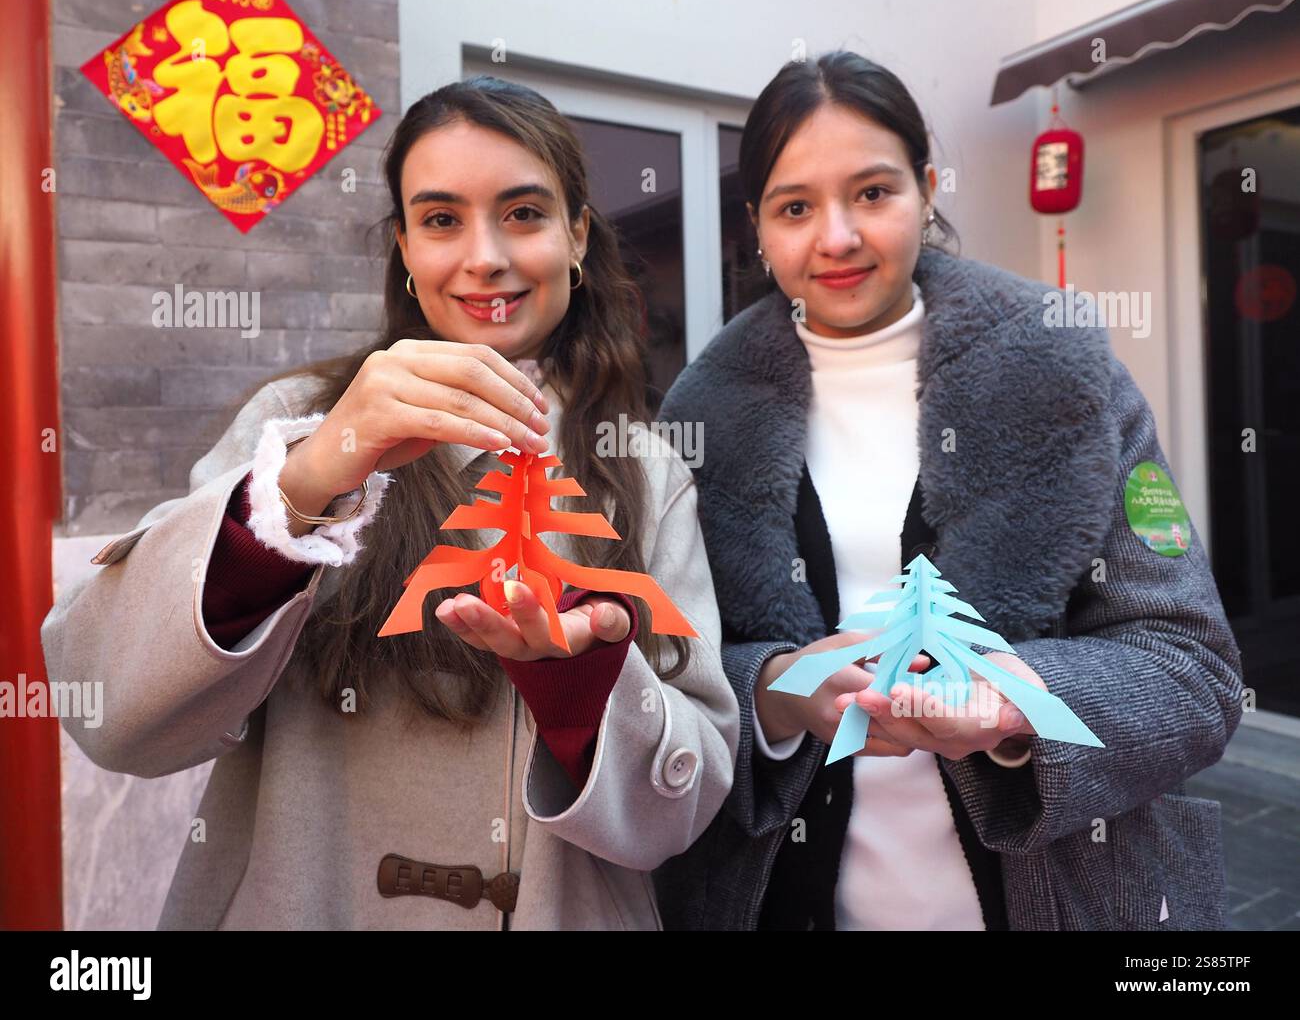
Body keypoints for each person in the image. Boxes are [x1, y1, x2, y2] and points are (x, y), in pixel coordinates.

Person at [41, 76, 737, 931]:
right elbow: (105, 710)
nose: (485, 257)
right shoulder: (296, 423)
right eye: (442, 220)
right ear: (404, 248)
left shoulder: (649, 470)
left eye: (523, 213)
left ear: (578, 235)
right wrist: (307, 481)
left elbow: (686, 801)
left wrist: (577, 681)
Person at [653, 51, 1242, 931]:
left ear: (928, 189)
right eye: (795, 207)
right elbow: (674, 675)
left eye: (874, 193)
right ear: (758, 227)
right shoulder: (703, 413)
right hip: (786, 898)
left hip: (1057, 896)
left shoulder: (1060, 369)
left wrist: (1019, 703)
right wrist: (774, 688)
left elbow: (1194, 670)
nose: (838, 237)